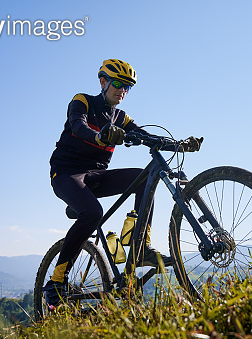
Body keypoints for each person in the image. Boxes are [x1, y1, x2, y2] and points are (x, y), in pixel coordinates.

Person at [43, 59, 202, 307]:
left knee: (143, 177)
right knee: (93, 212)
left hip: (97, 175)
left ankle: (140, 246)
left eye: (128, 87)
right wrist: (99, 135)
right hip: (67, 173)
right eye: (118, 84)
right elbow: (77, 126)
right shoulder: (83, 101)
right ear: (103, 82)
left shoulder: (121, 117)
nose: (122, 90)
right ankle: (56, 279)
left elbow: (147, 137)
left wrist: (178, 145)